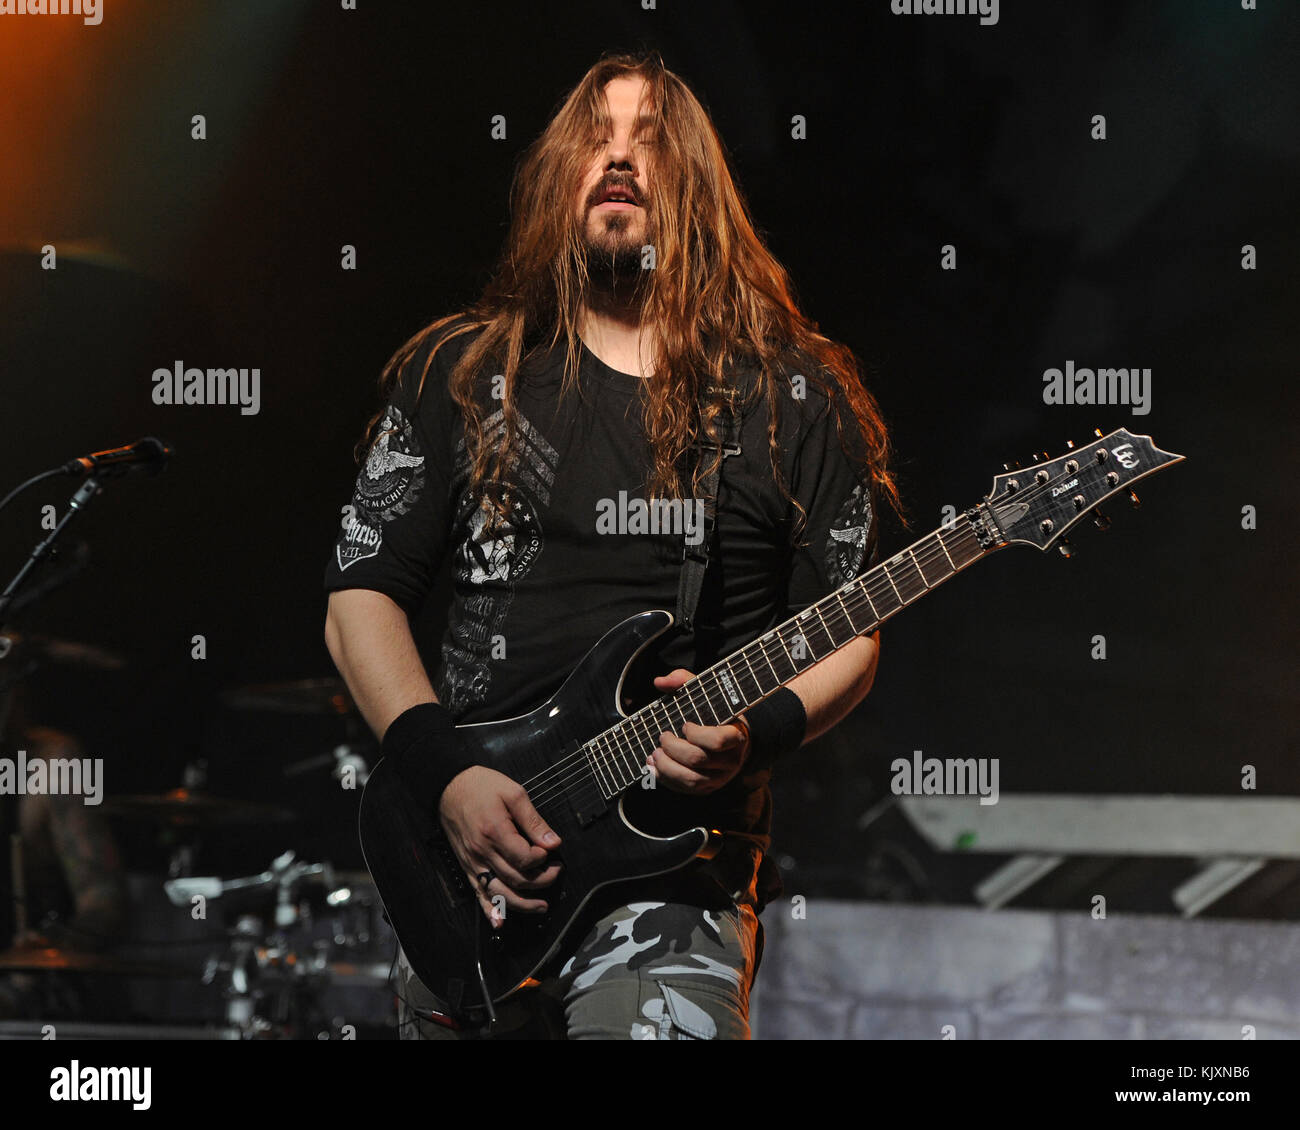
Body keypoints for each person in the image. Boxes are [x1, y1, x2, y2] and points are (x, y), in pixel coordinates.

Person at [323, 52, 898, 1040]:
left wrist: (752, 733)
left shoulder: (788, 397)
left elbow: (850, 626)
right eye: (596, 137)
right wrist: (445, 772)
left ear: (697, 189)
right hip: (466, 864)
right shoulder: (462, 371)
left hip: (676, 875)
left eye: (651, 142)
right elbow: (359, 596)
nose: (621, 158)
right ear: (556, 175)